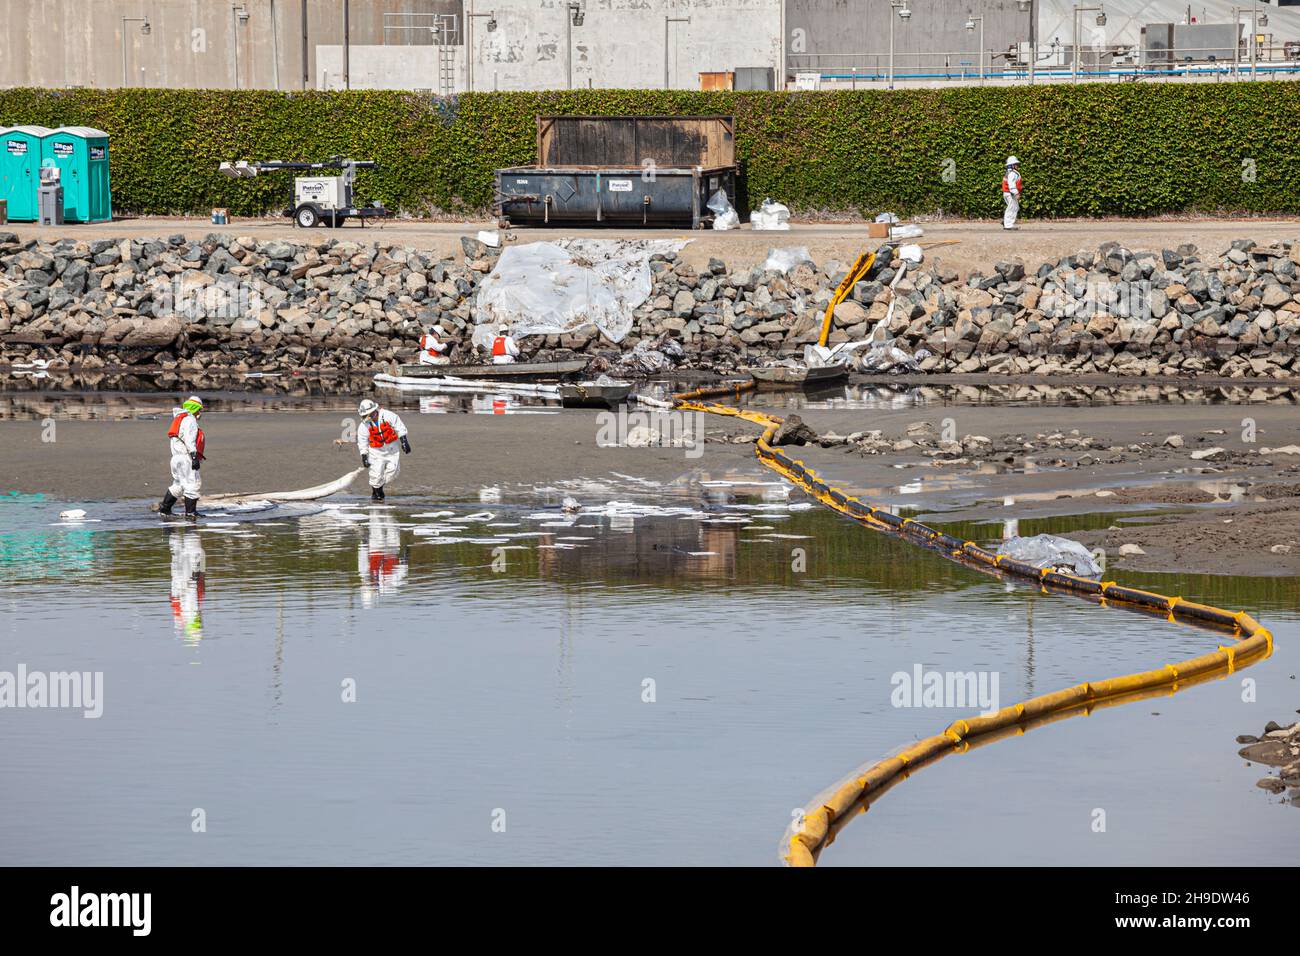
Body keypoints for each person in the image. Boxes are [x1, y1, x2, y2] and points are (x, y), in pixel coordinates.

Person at [356, 398, 411, 501]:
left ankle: (378, 485)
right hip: (375, 452)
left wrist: (404, 441)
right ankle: (377, 493)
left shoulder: (388, 415)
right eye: (365, 415)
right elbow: (362, 441)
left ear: (374, 411)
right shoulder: (363, 425)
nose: (368, 417)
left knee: (393, 471)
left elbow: (399, 426)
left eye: (369, 414)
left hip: (391, 450)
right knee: (375, 474)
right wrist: (364, 456)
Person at [160, 395, 205, 519]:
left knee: (179, 484)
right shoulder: (190, 420)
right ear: (195, 408)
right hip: (186, 457)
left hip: (175, 458)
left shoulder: (179, 418)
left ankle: (165, 509)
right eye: (200, 409)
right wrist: (194, 457)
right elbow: (190, 440)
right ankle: (191, 513)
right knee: (192, 483)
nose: (201, 412)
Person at [1002, 156, 1022, 231]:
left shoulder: (1010, 173)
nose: (1018, 166)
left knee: (1015, 207)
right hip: (1010, 194)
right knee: (1011, 208)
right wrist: (1016, 193)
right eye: (1016, 164)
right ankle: (1008, 225)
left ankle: (1007, 222)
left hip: (1008, 193)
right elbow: (1011, 185)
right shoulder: (1012, 173)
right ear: (1012, 165)